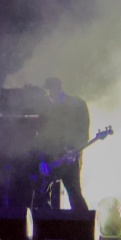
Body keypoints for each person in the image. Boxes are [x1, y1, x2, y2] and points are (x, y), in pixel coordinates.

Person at [39, 78, 90, 211]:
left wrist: (74, 150)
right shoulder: (45, 109)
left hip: (70, 159)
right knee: (41, 197)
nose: (50, 96)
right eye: (48, 93)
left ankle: (84, 227)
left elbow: (83, 132)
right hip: (51, 159)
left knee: (75, 195)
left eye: (52, 92)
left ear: (59, 89)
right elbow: (42, 137)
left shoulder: (77, 105)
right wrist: (42, 160)